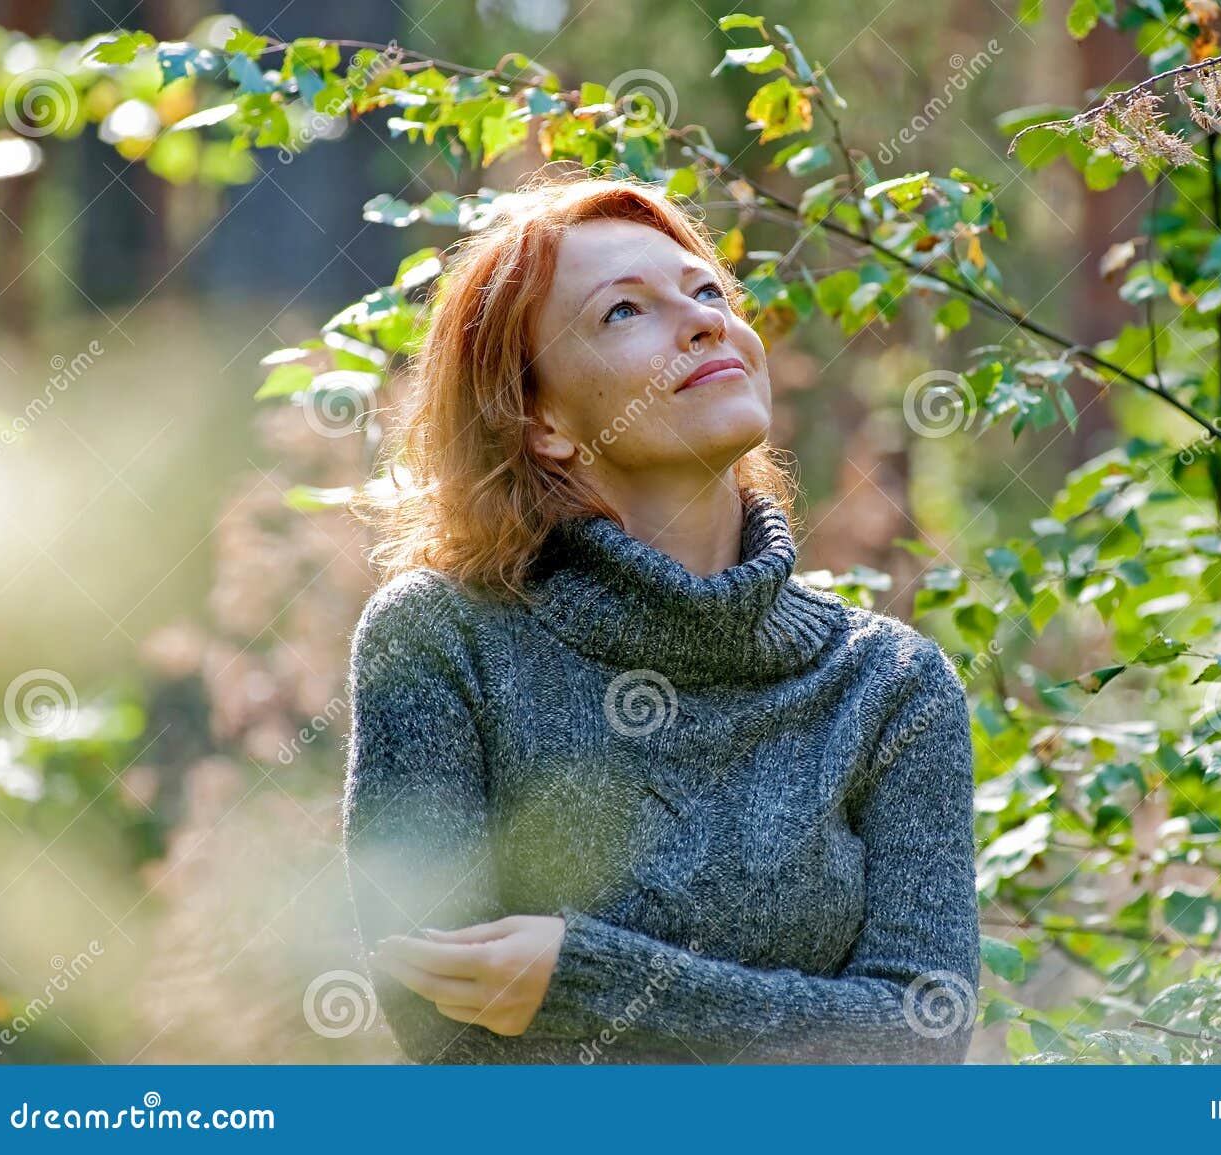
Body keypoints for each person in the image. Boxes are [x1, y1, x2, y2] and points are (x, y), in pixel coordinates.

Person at [340, 175, 981, 1064]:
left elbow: (925, 1036)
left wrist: (587, 982)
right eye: (624, 312)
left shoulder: (892, 683)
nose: (706, 319)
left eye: (707, 290)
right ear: (543, 423)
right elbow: (439, 1020)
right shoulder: (440, 639)